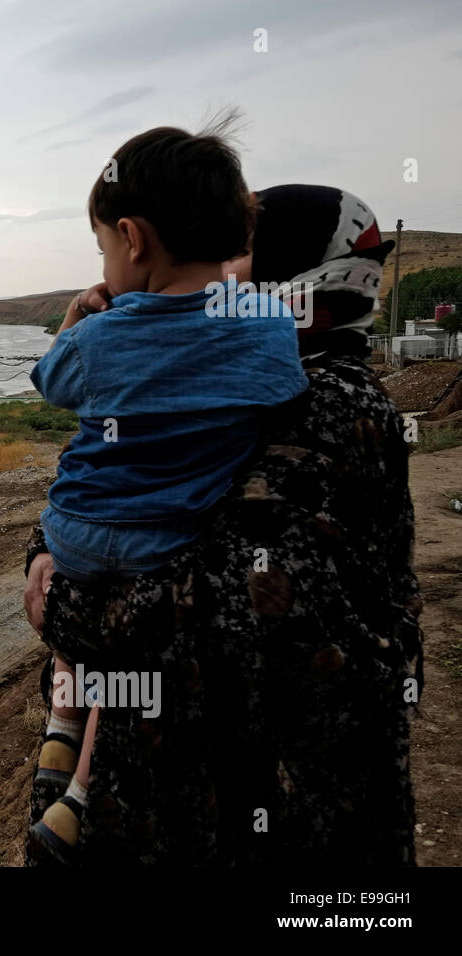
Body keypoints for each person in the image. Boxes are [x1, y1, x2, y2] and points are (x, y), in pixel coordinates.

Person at [22, 182, 421, 866]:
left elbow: (230, 614)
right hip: (182, 796)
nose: (209, 273)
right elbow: (114, 479)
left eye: (232, 254)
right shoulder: (264, 380)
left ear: (288, 280)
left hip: (276, 824)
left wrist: (65, 599)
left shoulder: (320, 408)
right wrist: (46, 545)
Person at [23, 124, 308, 862]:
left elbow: (51, 383)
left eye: (103, 251)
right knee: (130, 664)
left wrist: (78, 320)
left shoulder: (100, 335)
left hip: (78, 533)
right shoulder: (272, 326)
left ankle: (61, 723)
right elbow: (281, 391)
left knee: (79, 639)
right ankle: (80, 786)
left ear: (132, 238)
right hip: (171, 541)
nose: (106, 266)